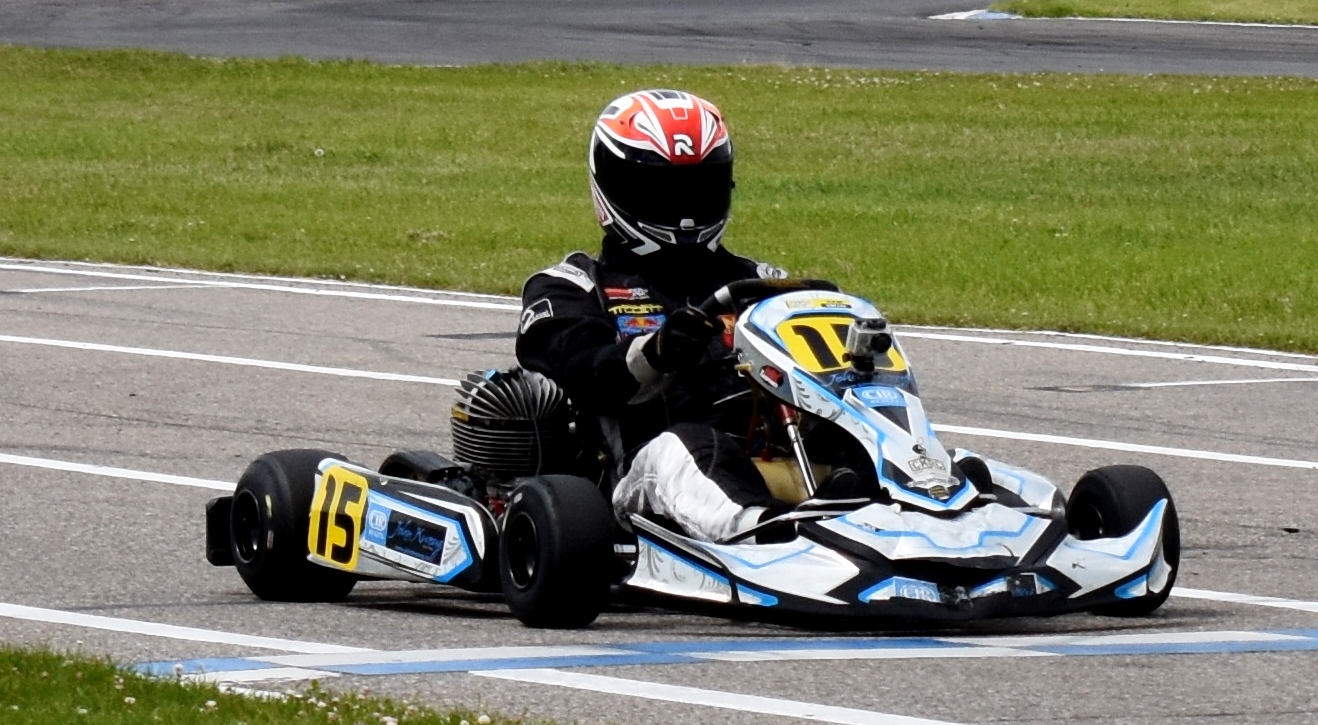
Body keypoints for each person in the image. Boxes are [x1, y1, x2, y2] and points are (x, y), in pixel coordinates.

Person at [515, 89, 800, 543]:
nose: (684, 213)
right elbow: (582, 369)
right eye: (662, 192)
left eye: (698, 189)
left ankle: (927, 508)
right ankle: (760, 537)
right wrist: (655, 353)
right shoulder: (572, 286)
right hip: (640, 480)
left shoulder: (762, 283)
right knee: (686, 445)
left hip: (779, 458)